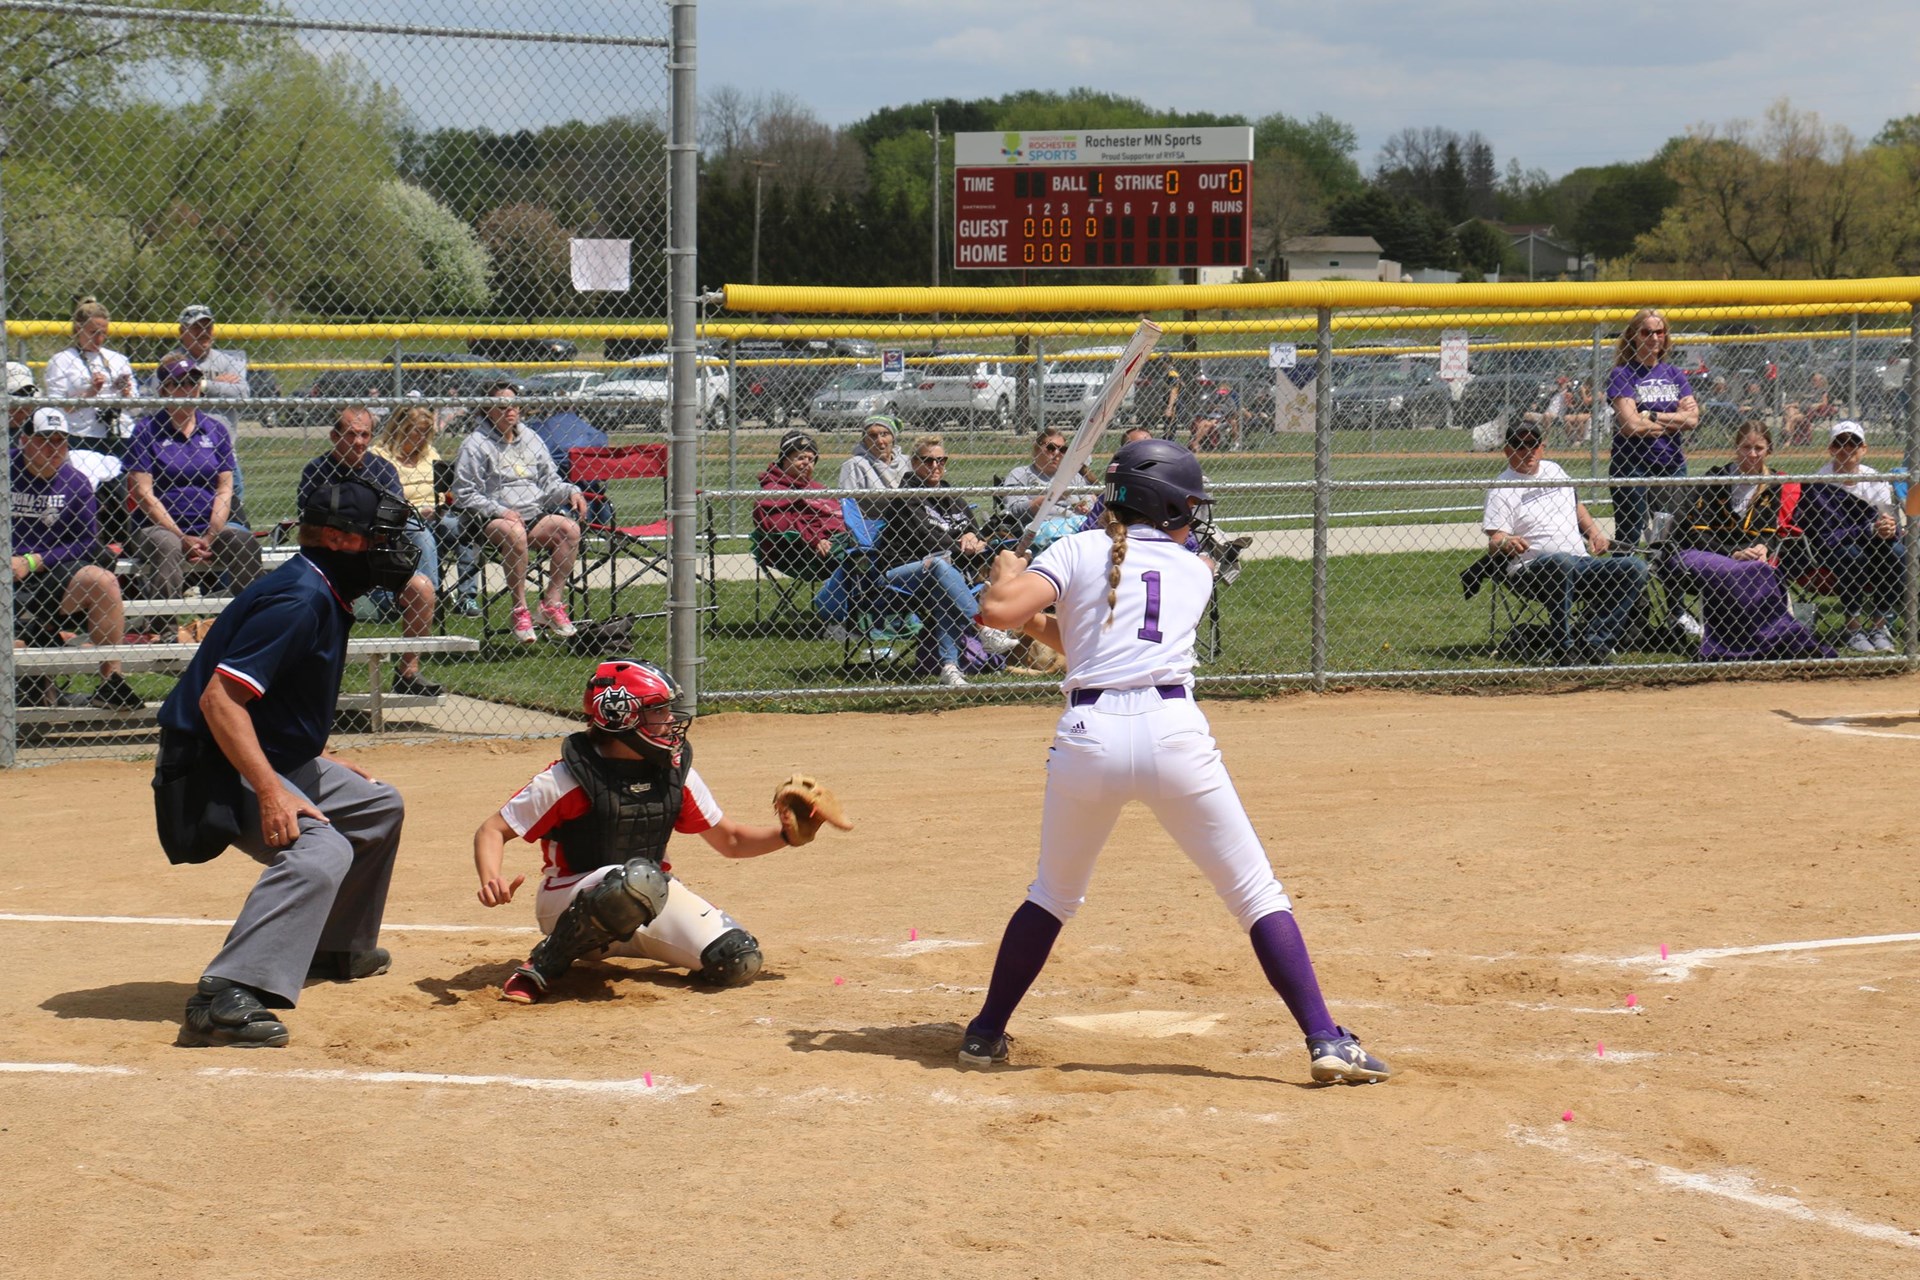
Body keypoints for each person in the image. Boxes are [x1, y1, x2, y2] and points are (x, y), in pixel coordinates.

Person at [958, 439, 1390, 1085]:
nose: (1195, 517)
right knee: (1255, 893)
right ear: (1165, 507)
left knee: (1052, 894)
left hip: (1089, 738)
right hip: (1173, 735)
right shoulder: (1195, 569)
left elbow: (999, 612)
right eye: (1189, 505)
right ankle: (1326, 1039)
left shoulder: (1077, 549)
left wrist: (1004, 574)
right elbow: (1085, 637)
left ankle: (985, 1033)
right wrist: (1020, 607)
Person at [152, 478, 420, 1047]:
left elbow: (272, 699)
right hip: (211, 766)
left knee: (377, 806)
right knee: (323, 850)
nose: (390, 549)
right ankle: (223, 995)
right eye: (378, 537)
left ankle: (334, 946)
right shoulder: (300, 599)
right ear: (337, 539)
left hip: (265, 754)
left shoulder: (321, 587)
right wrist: (273, 792)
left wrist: (313, 753)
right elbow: (219, 702)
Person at [474, 659, 841, 1001]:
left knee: (736, 959)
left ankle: (641, 928)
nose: (670, 720)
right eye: (658, 710)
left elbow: (730, 840)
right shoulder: (568, 778)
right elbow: (492, 829)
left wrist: (787, 836)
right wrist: (492, 878)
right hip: (567, 901)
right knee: (637, 880)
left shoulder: (674, 772)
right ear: (619, 715)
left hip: (647, 897)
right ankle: (544, 963)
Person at [300, 406, 441, 696]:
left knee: (423, 589)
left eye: (365, 435)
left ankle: (408, 672)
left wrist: (347, 522)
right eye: (351, 434)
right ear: (334, 436)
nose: (359, 442)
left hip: (375, 562)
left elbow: (394, 518)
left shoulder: (382, 469)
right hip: (329, 564)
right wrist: (366, 522)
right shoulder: (317, 471)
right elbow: (315, 524)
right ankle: (316, 679)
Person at [1661, 422, 1830, 662]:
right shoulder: (1716, 478)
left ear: (1769, 450)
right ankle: (1729, 646)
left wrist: (1762, 547)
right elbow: (1698, 534)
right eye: (1745, 447)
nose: (1752, 454)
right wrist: (1734, 553)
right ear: (1736, 448)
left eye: (1758, 448)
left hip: (1747, 556)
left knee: (1763, 570)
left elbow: (1768, 531)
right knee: (1735, 571)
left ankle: (1782, 641)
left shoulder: (1771, 483)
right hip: (1702, 552)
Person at [1483, 421, 1649, 665]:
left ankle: (1596, 643)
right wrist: (1507, 542)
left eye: (1532, 444)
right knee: (1561, 563)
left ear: (1542, 447)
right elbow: (1495, 539)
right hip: (1531, 571)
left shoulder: (1554, 470)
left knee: (1635, 567)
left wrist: (1594, 533)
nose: (1527, 450)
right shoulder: (1501, 488)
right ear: (1507, 450)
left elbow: (1575, 504)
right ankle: (1564, 647)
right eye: (1519, 445)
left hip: (1581, 563)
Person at [10, 406, 142, 709]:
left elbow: (86, 543)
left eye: (60, 440)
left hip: (51, 578)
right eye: (44, 439)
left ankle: (111, 682)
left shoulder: (76, 482)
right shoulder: (6, 472)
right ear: (25, 440)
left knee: (103, 580)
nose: (53, 448)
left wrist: (33, 560)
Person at [452, 381, 588, 643]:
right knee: (514, 532)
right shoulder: (475, 444)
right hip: (489, 520)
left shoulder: (531, 438)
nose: (510, 411)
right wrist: (500, 510)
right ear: (486, 409)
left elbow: (549, 483)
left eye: (514, 405)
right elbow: (464, 493)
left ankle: (551, 604)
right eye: (501, 406)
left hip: (532, 515)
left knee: (569, 529)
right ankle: (520, 610)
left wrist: (572, 492)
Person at [124, 355, 262, 606]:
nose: (188, 389)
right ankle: (164, 625)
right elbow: (143, 493)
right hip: (157, 528)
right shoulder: (146, 430)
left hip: (208, 527)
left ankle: (249, 617)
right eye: (179, 383)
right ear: (164, 390)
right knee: (168, 545)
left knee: (243, 542)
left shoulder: (215, 429)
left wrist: (211, 535)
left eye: (193, 382)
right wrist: (180, 536)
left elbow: (224, 489)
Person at [877, 435, 993, 688]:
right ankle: (983, 628)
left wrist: (972, 537)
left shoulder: (951, 497)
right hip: (901, 573)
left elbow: (975, 530)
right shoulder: (906, 497)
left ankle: (950, 668)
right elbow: (929, 541)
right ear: (914, 463)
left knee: (943, 586)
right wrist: (964, 547)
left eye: (941, 460)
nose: (935, 466)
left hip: (944, 573)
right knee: (939, 565)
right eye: (928, 461)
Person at [1795, 420, 1903, 653]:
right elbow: (1826, 537)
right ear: (1831, 449)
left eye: (1854, 443)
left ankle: (1879, 626)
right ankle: (1852, 628)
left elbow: (1887, 518)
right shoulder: (1820, 483)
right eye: (1840, 443)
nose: (1847, 449)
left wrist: (1889, 527)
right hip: (1833, 549)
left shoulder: (1875, 478)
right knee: (1853, 555)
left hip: (1871, 544)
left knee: (1897, 551)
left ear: (1864, 449)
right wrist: (1869, 529)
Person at [1606, 309, 1699, 550]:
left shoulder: (1674, 374)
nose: (1654, 337)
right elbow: (1630, 425)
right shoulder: (1622, 374)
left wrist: (1651, 415)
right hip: (1632, 464)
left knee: (1664, 533)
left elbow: (1692, 420)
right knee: (1630, 530)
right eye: (1646, 332)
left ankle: (1660, 571)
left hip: (1671, 463)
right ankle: (1625, 573)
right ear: (1634, 336)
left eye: (1659, 332)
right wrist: (1674, 420)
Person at [41, 296, 138, 452]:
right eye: (93, 332)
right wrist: (89, 393)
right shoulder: (62, 360)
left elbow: (136, 409)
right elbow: (57, 409)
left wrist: (126, 393)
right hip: (81, 435)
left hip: (120, 433)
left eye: (103, 333)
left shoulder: (119, 359)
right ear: (79, 328)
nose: (99, 339)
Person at [754, 429, 845, 578]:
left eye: (811, 459)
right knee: (859, 557)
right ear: (784, 459)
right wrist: (816, 539)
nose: (806, 463)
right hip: (801, 554)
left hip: (839, 540)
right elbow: (781, 526)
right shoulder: (773, 490)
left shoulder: (817, 488)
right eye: (800, 457)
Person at [156, 304, 249, 408]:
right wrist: (218, 386)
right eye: (197, 327)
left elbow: (243, 394)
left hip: (223, 419)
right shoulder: (171, 361)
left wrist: (202, 385)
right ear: (182, 331)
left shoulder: (228, 360)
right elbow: (159, 397)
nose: (203, 332)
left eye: (208, 327)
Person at [1001, 427, 1093, 523]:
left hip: (1077, 524)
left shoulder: (1072, 476)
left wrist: (1085, 508)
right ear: (1037, 449)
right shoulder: (1020, 474)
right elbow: (1015, 510)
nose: (1057, 453)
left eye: (1062, 449)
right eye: (1051, 448)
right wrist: (1051, 497)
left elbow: (1089, 503)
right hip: (1039, 526)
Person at [837, 414, 911, 509]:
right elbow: (848, 504)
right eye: (872, 436)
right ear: (865, 440)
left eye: (884, 434)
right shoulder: (855, 465)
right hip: (871, 517)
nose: (879, 441)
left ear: (893, 438)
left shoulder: (907, 462)